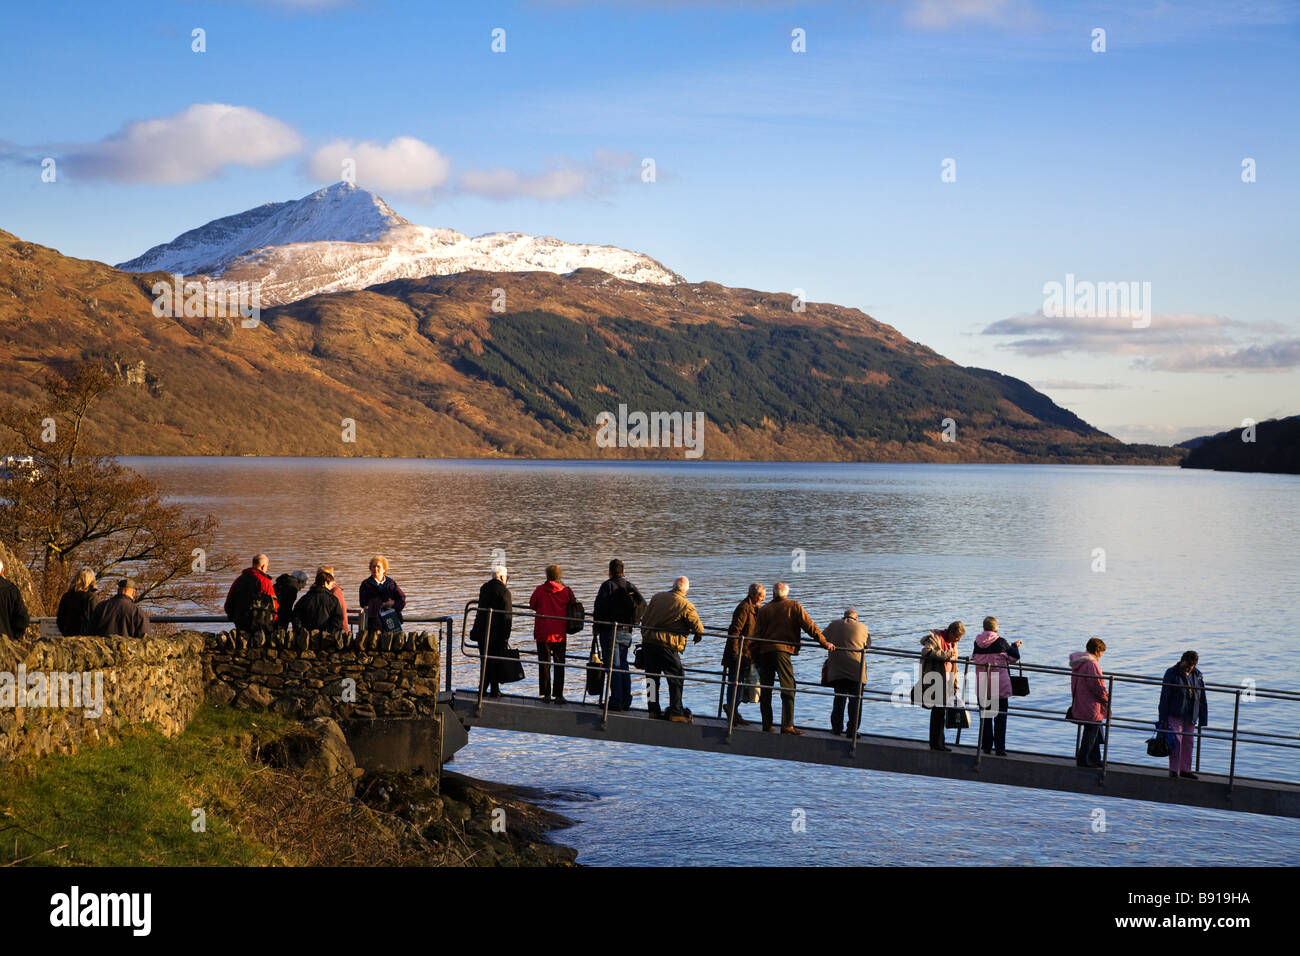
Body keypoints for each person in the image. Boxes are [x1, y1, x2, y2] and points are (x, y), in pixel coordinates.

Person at [752, 582, 833, 735]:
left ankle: (766, 724)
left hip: (764, 652)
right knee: (788, 688)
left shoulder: (765, 609)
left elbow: (756, 635)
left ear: (774, 594)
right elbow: (810, 626)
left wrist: (755, 655)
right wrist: (824, 642)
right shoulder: (793, 606)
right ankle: (787, 725)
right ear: (786, 593)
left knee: (766, 689)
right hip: (782, 652)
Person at [639, 576, 705, 721]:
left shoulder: (657, 597)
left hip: (648, 643)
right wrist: (697, 635)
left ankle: (653, 710)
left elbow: (644, 617)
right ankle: (676, 711)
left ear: (673, 586)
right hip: (666, 646)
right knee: (677, 676)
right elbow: (699, 628)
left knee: (651, 677)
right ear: (686, 590)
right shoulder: (686, 605)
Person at [592, 559, 644, 710]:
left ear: (610, 571)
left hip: (610, 631)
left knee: (613, 667)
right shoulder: (629, 586)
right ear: (623, 571)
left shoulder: (607, 586)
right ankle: (626, 700)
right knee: (624, 666)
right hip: (626, 631)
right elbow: (641, 605)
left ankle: (616, 701)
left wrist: (596, 628)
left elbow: (599, 608)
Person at [971, 615, 1022, 756]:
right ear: (995, 627)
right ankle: (1000, 749)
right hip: (999, 685)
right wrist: (1014, 646)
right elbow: (1014, 658)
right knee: (1000, 718)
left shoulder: (977, 642)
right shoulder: (1001, 642)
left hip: (983, 685)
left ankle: (986, 747)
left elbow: (974, 657)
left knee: (985, 718)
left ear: (984, 627)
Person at [1158, 650, 1208, 780]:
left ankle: (1185, 769)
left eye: (1192, 666)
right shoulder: (1171, 673)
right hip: (1175, 713)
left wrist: (1203, 719)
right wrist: (1162, 717)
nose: (1189, 668)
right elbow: (1165, 696)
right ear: (1182, 660)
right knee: (1177, 741)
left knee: (1188, 742)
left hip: (1191, 715)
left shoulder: (1197, 675)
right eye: (1187, 665)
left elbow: (1202, 697)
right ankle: (1174, 770)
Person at [529, 564, 576, 703]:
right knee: (559, 664)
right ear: (559, 575)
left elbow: (532, 604)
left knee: (544, 663)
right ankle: (559, 695)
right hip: (560, 633)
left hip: (543, 632)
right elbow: (573, 605)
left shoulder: (539, 590)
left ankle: (546, 694)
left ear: (547, 575)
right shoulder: (567, 591)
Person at [823, 608, 870, 736]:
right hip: (857, 671)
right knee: (856, 701)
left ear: (843, 616)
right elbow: (868, 645)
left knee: (839, 698)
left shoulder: (833, 625)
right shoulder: (863, 628)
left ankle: (837, 729)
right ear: (856, 618)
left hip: (837, 670)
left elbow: (822, 638)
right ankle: (852, 731)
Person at [723, 583, 765, 725]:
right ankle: (731, 710)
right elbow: (735, 630)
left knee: (740, 683)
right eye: (761, 597)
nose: (763, 599)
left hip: (746, 653)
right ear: (753, 595)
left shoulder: (753, 608)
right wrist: (735, 651)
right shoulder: (744, 608)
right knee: (735, 682)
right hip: (739, 653)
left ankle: (733, 711)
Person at [919, 621, 964, 751]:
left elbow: (955, 666)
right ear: (951, 632)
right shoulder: (936, 638)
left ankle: (939, 743)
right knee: (938, 712)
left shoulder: (952, 643)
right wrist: (945, 655)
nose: (958, 641)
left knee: (941, 712)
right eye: (957, 637)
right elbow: (925, 651)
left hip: (948, 680)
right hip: (936, 679)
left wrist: (956, 684)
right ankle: (936, 744)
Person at [470, 565, 513, 698]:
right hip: (497, 634)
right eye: (507, 577)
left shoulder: (484, 588)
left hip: (482, 632)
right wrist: (506, 636)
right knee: (494, 661)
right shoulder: (505, 592)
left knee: (485, 661)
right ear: (501, 577)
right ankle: (490, 691)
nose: (507, 580)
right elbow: (507, 616)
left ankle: (487, 689)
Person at [1069, 638, 1109, 768]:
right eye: (1102, 652)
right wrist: (1107, 698)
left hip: (1081, 701)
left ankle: (1096, 759)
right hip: (1091, 704)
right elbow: (1097, 685)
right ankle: (1083, 760)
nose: (1102, 655)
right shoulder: (1092, 664)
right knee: (1091, 732)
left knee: (1094, 731)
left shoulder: (1079, 663)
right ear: (1097, 651)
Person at [359, 555, 406, 649]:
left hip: (392, 621)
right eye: (373, 566)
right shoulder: (366, 584)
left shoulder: (391, 583)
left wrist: (393, 604)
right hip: (374, 622)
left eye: (378, 566)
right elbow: (363, 602)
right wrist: (381, 604)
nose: (375, 569)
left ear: (384, 569)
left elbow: (402, 600)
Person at [224, 554, 279, 633]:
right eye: (267, 566)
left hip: (240, 623)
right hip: (259, 626)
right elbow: (273, 605)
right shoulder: (264, 581)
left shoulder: (239, 579)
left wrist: (234, 617)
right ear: (263, 566)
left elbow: (228, 603)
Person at [290, 568, 345, 635]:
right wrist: (330, 632)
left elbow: (295, 617)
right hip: (326, 638)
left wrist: (301, 632)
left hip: (307, 638)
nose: (331, 587)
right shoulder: (333, 600)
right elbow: (338, 619)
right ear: (325, 583)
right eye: (330, 585)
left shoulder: (304, 599)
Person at [56, 568, 99, 637]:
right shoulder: (91, 597)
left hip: (68, 635)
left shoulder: (66, 596)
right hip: (85, 637)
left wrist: (65, 632)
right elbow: (95, 619)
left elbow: (60, 619)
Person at [0, 556, 31, 641]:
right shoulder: (11, 590)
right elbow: (22, 619)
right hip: (6, 644)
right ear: (2, 571)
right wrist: (15, 636)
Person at [318, 565, 350, 635]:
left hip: (333, 631)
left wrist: (345, 631)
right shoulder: (316, 591)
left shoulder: (335, 591)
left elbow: (342, 612)